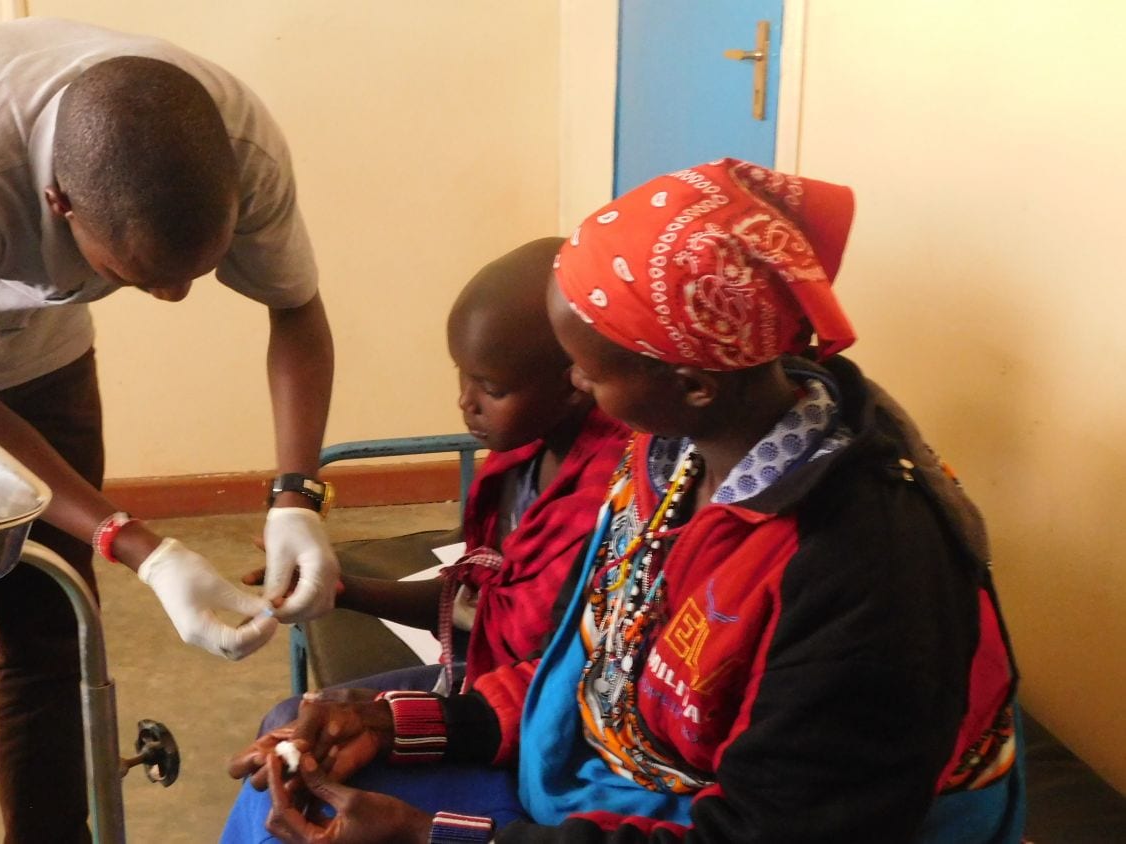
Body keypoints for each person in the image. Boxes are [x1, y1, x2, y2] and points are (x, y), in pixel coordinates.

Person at [223, 159, 1023, 843]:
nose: (574, 386)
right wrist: (397, 721)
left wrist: (438, 837)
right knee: (292, 761)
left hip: (696, 818)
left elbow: (772, 830)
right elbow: (597, 663)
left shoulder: (866, 569)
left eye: (588, 369)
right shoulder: (665, 455)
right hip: (608, 780)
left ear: (694, 383)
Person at [0, 18, 339, 842]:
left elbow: (296, 309)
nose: (174, 299)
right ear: (60, 202)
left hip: (38, 337)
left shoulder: (240, 144)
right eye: (141, 278)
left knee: (54, 635)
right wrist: (143, 546)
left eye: (194, 272)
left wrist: (297, 496)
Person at [252, 238, 632, 733]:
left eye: (490, 390)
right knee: (291, 722)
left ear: (575, 380)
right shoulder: (521, 459)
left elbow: (526, 672)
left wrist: (398, 726)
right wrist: (340, 588)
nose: (464, 402)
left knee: (306, 737)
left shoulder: (607, 507)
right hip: (491, 693)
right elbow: (476, 610)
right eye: (462, 376)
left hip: (542, 727)